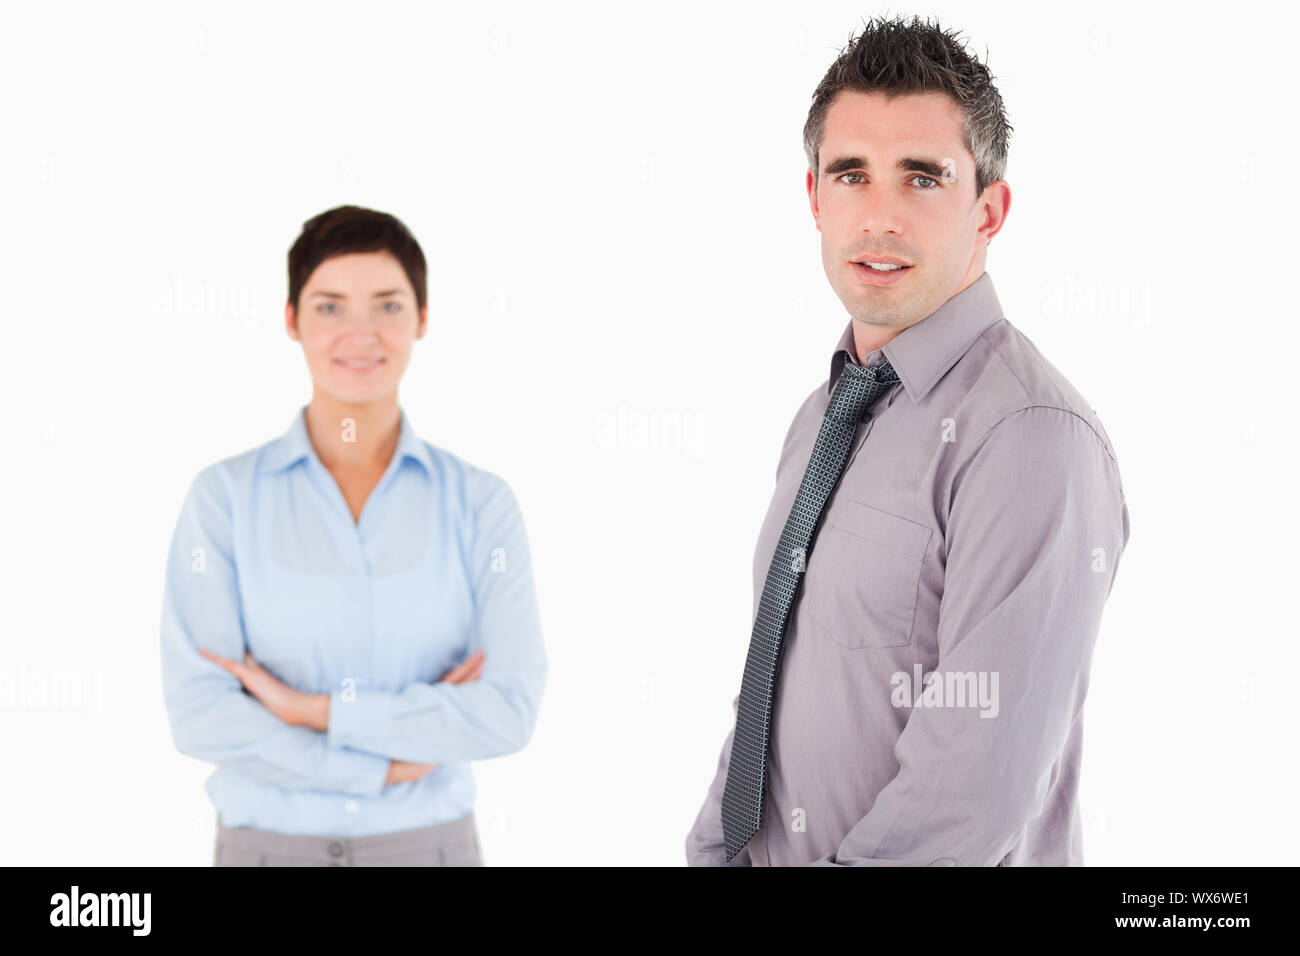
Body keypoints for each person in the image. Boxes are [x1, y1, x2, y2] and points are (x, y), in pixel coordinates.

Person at [686, 15, 1130, 866]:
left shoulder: (1031, 440)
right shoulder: (823, 413)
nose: (879, 215)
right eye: (852, 174)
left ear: (989, 209)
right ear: (814, 198)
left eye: (922, 178)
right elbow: (769, 686)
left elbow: (965, 805)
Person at [160, 204, 546, 866]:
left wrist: (317, 713)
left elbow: (508, 709)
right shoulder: (222, 500)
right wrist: (381, 762)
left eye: (389, 306)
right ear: (292, 321)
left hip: (430, 850)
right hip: (265, 852)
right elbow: (201, 713)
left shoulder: (482, 504)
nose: (361, 333)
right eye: (330, 306)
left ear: (423, 319)